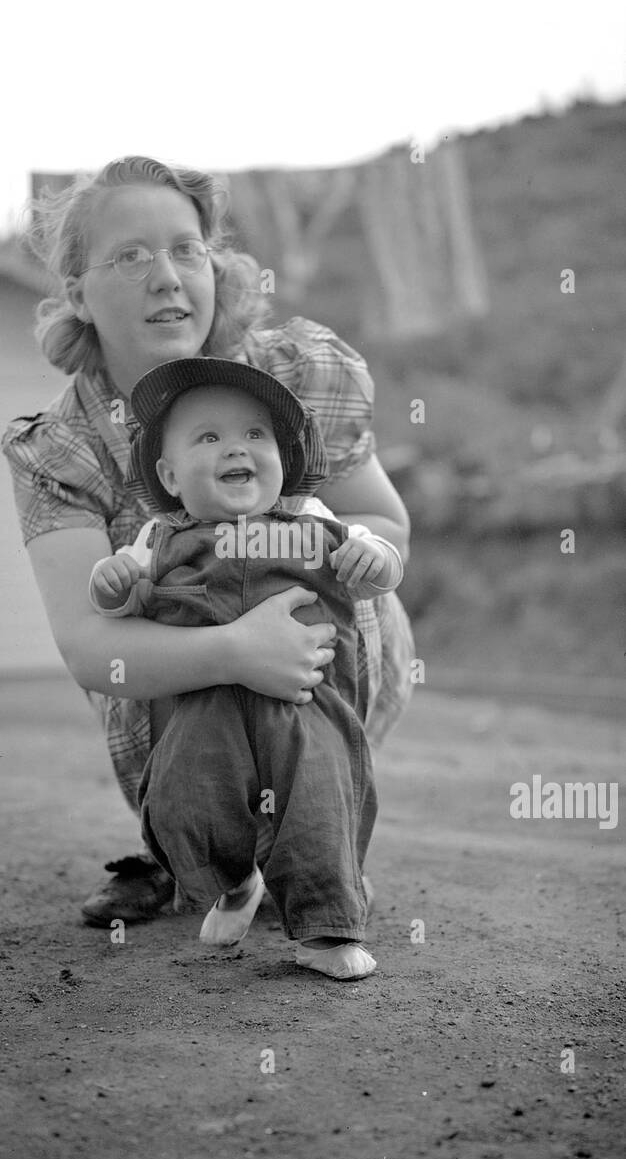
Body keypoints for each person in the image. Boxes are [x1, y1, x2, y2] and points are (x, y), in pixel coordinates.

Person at [0, 155, 414, 927]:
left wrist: (347, 556)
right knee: (150, 634)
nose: (168, 277)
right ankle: (188, 841)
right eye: (130, 256)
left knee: (358, 567)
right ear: (79, 295)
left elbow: (388, 525)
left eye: (186, 249)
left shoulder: (293, 373)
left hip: (312, 669)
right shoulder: (61, 447)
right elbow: (93, 644)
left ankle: (316, 826)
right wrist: (234, 648)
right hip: (178, 695)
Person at [88, 359, 404, 979]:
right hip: (205, 703)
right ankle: (236, 884)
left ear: (284, 457)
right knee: (185, 802)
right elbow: (121, 601)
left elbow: (381, 564)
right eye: (208, 437)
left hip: (304, 702)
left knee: (319, 804)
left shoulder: (313, 520)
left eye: (256, 435)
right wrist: (113, 583)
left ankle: (325, 932)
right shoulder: (157, 537)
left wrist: (375, 556)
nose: (237, 446)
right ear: (170, 475)